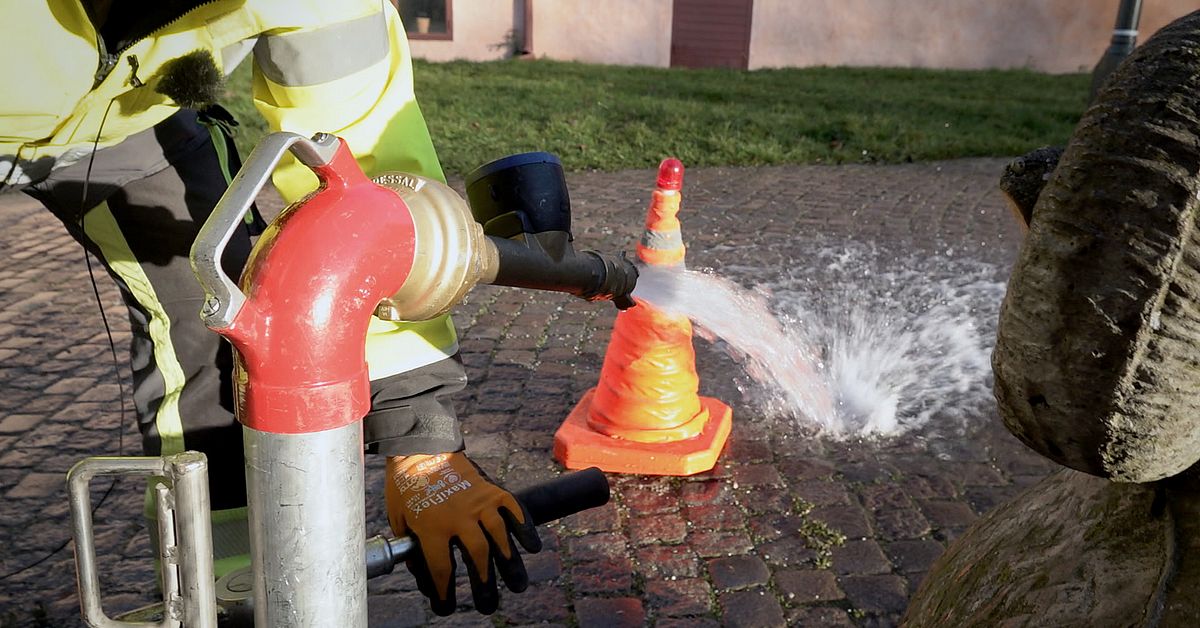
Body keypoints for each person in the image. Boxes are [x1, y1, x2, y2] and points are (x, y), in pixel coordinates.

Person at [0, 0, 535, 616]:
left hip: (121, 121)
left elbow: (365, 201)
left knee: (224, 304)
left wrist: (418, 439)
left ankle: (228, 587)